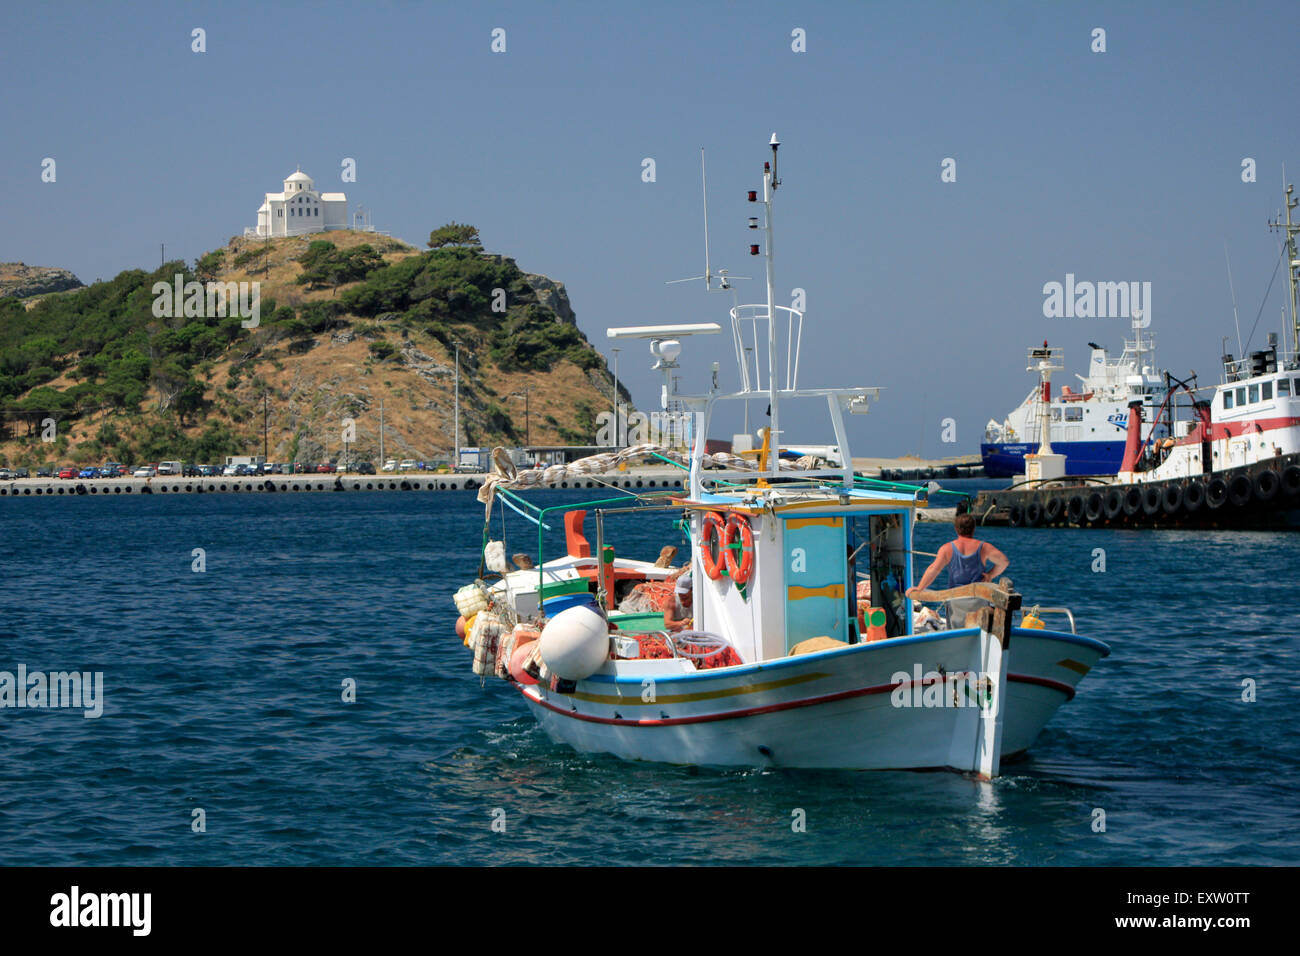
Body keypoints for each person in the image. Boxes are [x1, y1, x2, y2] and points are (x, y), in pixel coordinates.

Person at [906, 514, 1009, 627]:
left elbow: (933, 569)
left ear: (956, 529)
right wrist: (990, 575)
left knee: (956, 632)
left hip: (956, 599)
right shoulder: (984, 547)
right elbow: (1004, 562)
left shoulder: (947, 549)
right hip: (978, 600)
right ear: (974, 528)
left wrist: (920, 588)